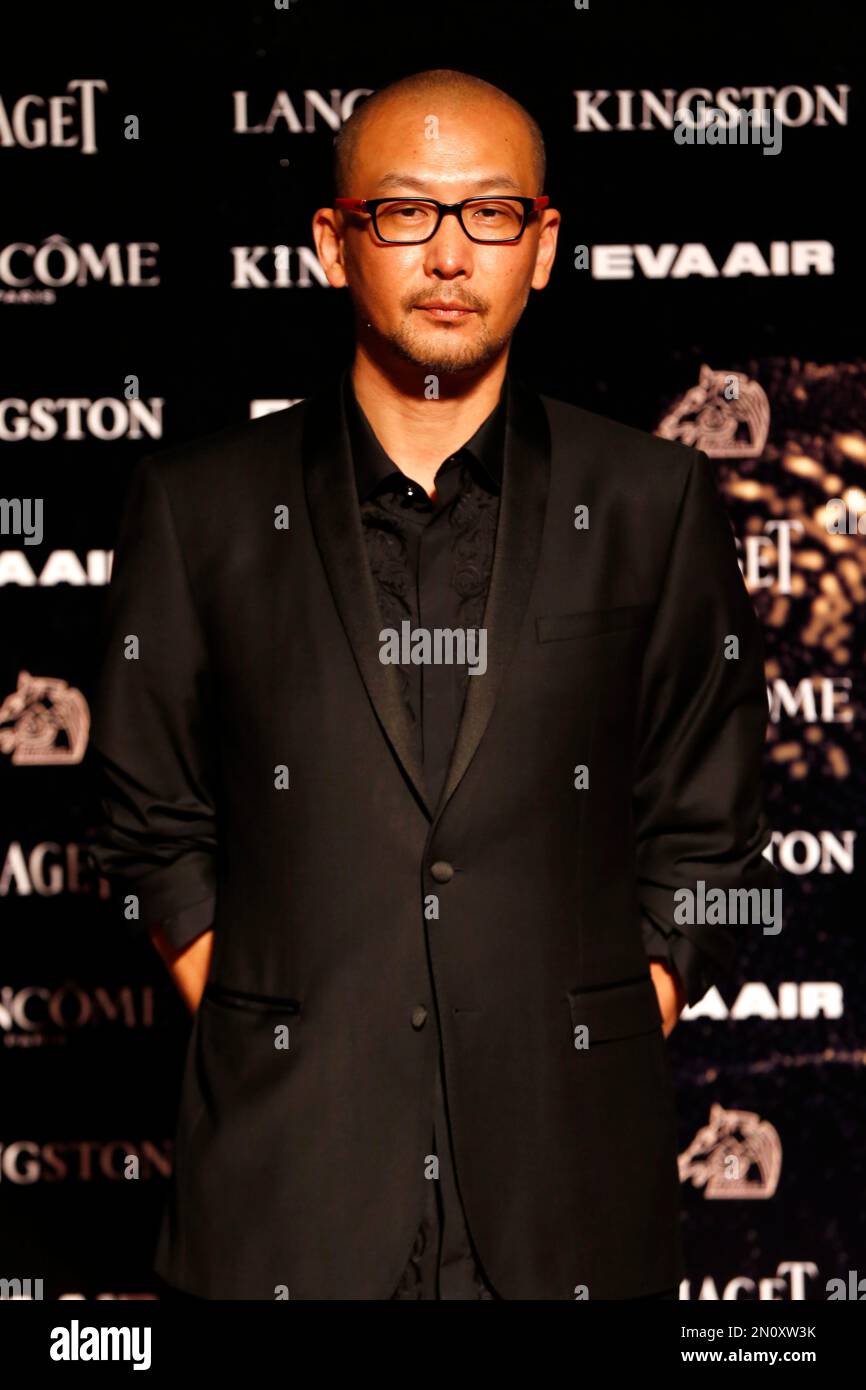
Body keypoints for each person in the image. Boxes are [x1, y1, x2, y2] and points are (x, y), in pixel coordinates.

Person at [88, 67, 776, 1301]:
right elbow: (148, 809)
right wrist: (266, 1018)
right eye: (405, 213)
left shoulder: (647, 503)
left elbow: (708, 820)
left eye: (490, 214)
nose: (450, 254)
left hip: (567, 1200)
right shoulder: (199, 511)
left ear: (543, 243)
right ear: (333, 242)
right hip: (285, 1194)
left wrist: (613, 1016)